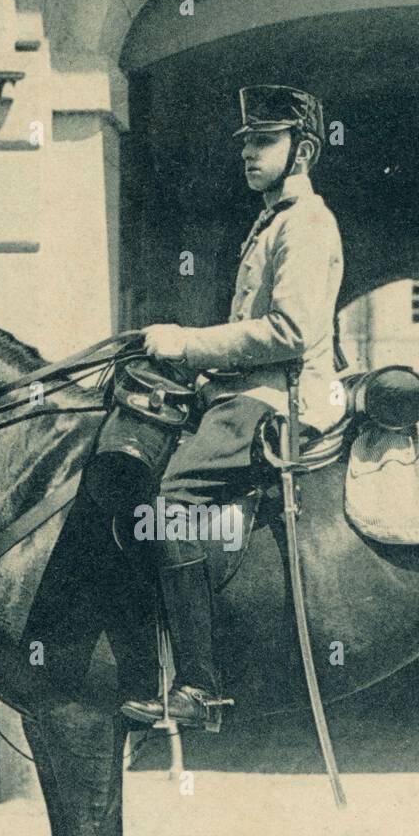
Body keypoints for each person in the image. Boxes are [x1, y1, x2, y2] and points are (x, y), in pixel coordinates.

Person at [121, 84, 345, 731]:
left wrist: (189, 345)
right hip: (244, 390)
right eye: (246, 140)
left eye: (263, 140)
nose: (248, 151)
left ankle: (199, 686)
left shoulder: (305, 223)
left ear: (301, 149)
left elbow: (291, 331)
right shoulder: (272, 221)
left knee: (170, 504)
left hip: (280, 399)